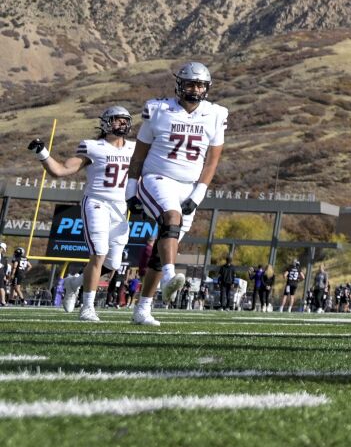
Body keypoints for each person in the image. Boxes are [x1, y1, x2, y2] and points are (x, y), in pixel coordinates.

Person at [125, 63, 228, 327]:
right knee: (171, 218)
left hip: (189, 184)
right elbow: (139, 155)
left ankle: (143, 309)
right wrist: (130, 189)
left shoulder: (216, 114)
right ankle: (171, 278)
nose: (195, 89)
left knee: (161, 251)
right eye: (191, 84)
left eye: (200, 85)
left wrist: (200, 193)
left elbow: (212, 162)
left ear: (207, 88)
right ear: (179, 84)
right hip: (157, 178)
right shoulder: (158, 110)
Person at [30, 104, 135, 323]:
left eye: (125, 120)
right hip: (97, 203)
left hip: (120, 208)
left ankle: (74, 283)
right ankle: (87, 307)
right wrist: (42, 153)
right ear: (106, 122)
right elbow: (60, 170)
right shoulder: (93, 147)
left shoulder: (135, 148)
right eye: (117, 119)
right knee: (99, 253)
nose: (122, 124)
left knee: (113, 264)